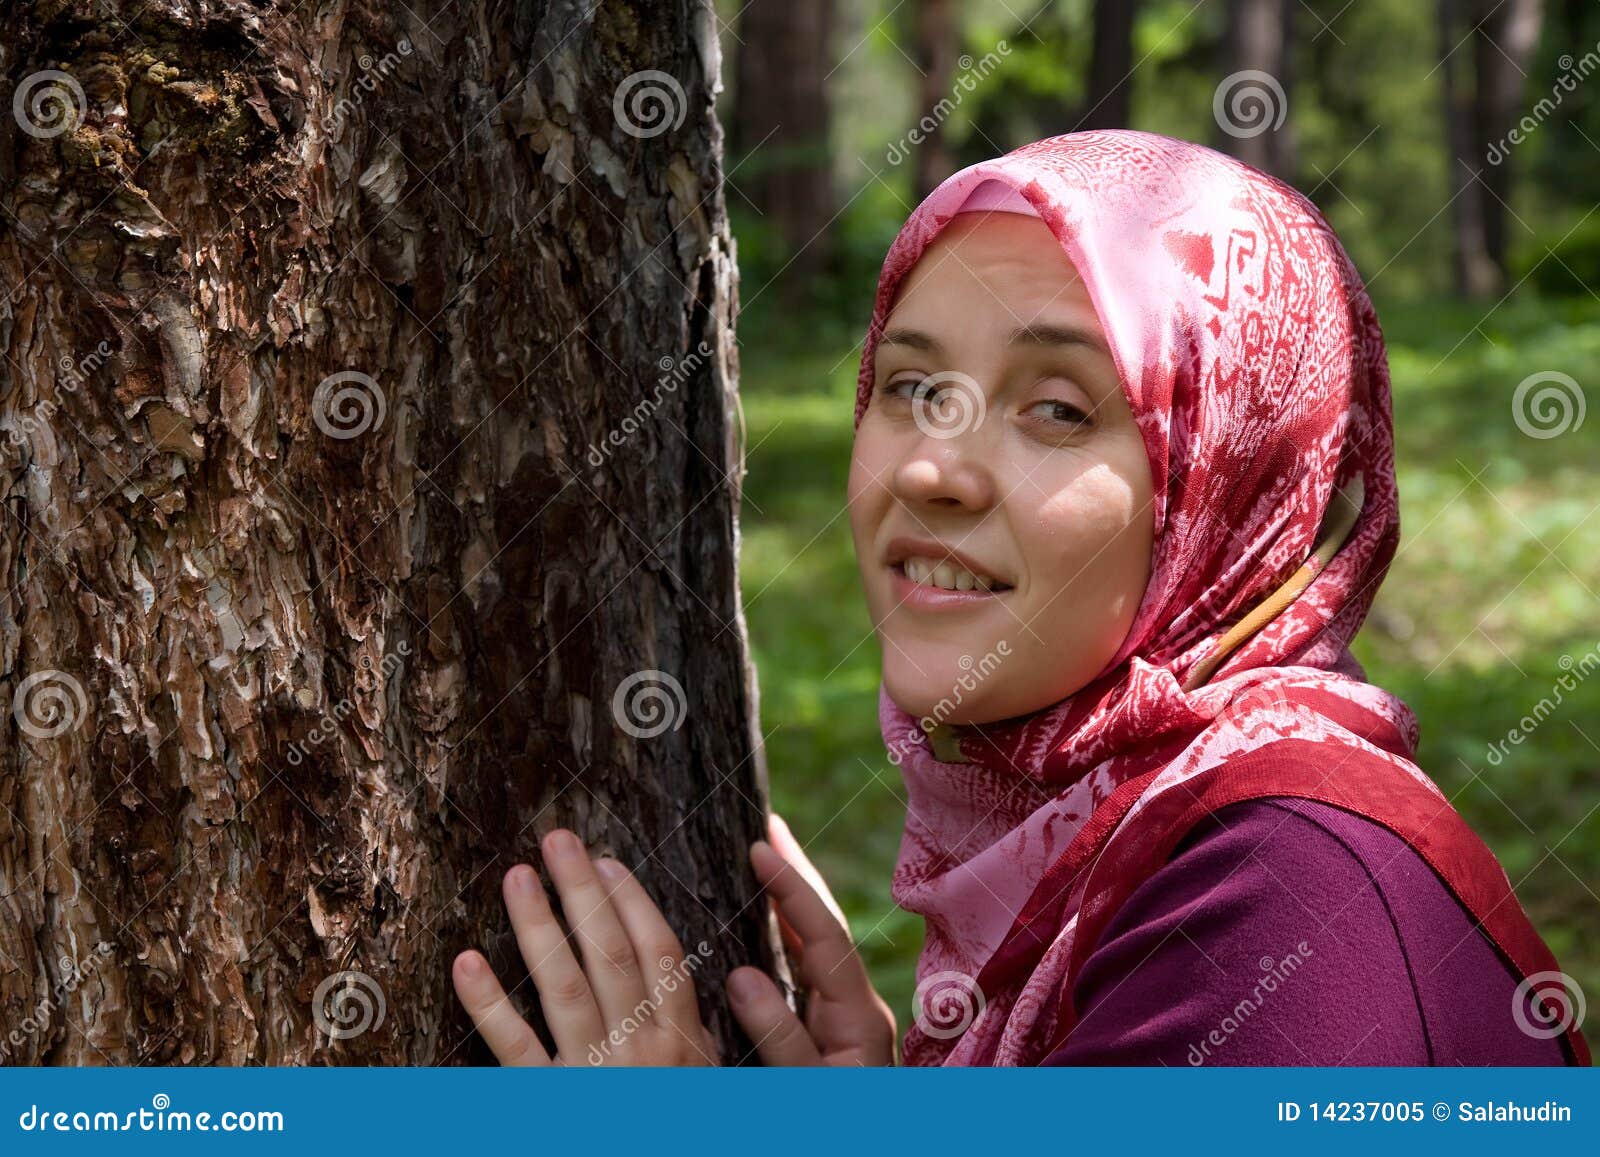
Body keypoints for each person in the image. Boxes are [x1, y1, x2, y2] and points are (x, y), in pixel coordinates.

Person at [450, 130, 1591, 1067]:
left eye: (1056, 408)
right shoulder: (1149, 835)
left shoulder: (1285, 901)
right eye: (913, 386)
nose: (929, 468)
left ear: (1227, 482)